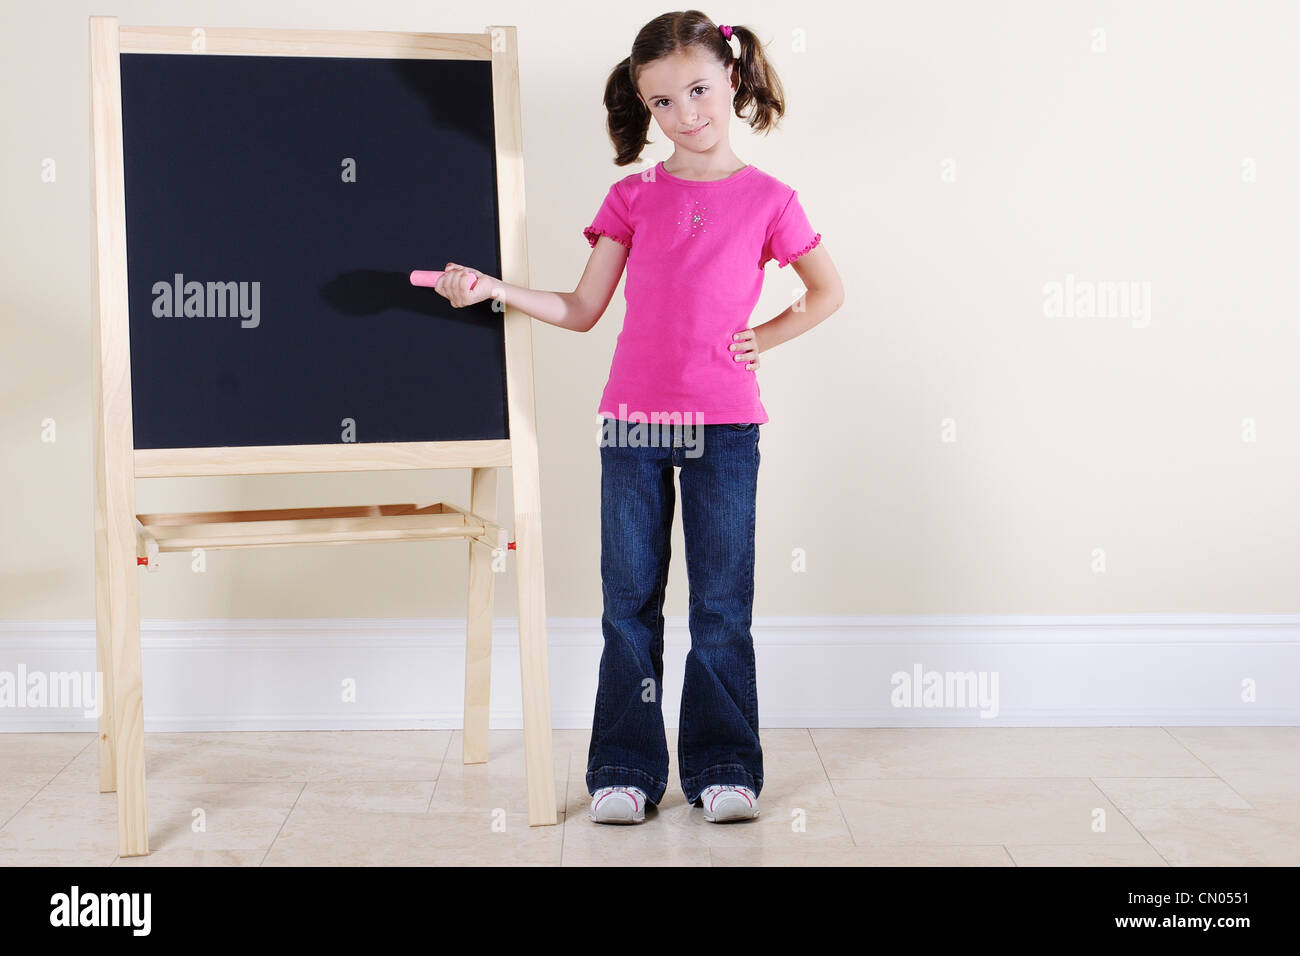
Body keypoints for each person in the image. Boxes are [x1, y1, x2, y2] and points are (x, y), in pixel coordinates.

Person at [431, 10, 845, 825]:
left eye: (697, 90)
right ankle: (623, 768)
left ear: (732, 78)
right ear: (645, 107)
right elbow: (585, 306)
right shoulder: (632, 197)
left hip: (726, 429)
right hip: (631, 428)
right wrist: (496, 290)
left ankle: (725, 766)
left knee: (721, 604)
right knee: (629, 602)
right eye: (661, 102)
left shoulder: (770, 200)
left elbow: (828, 291)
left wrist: (760, 336)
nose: (684, 114)